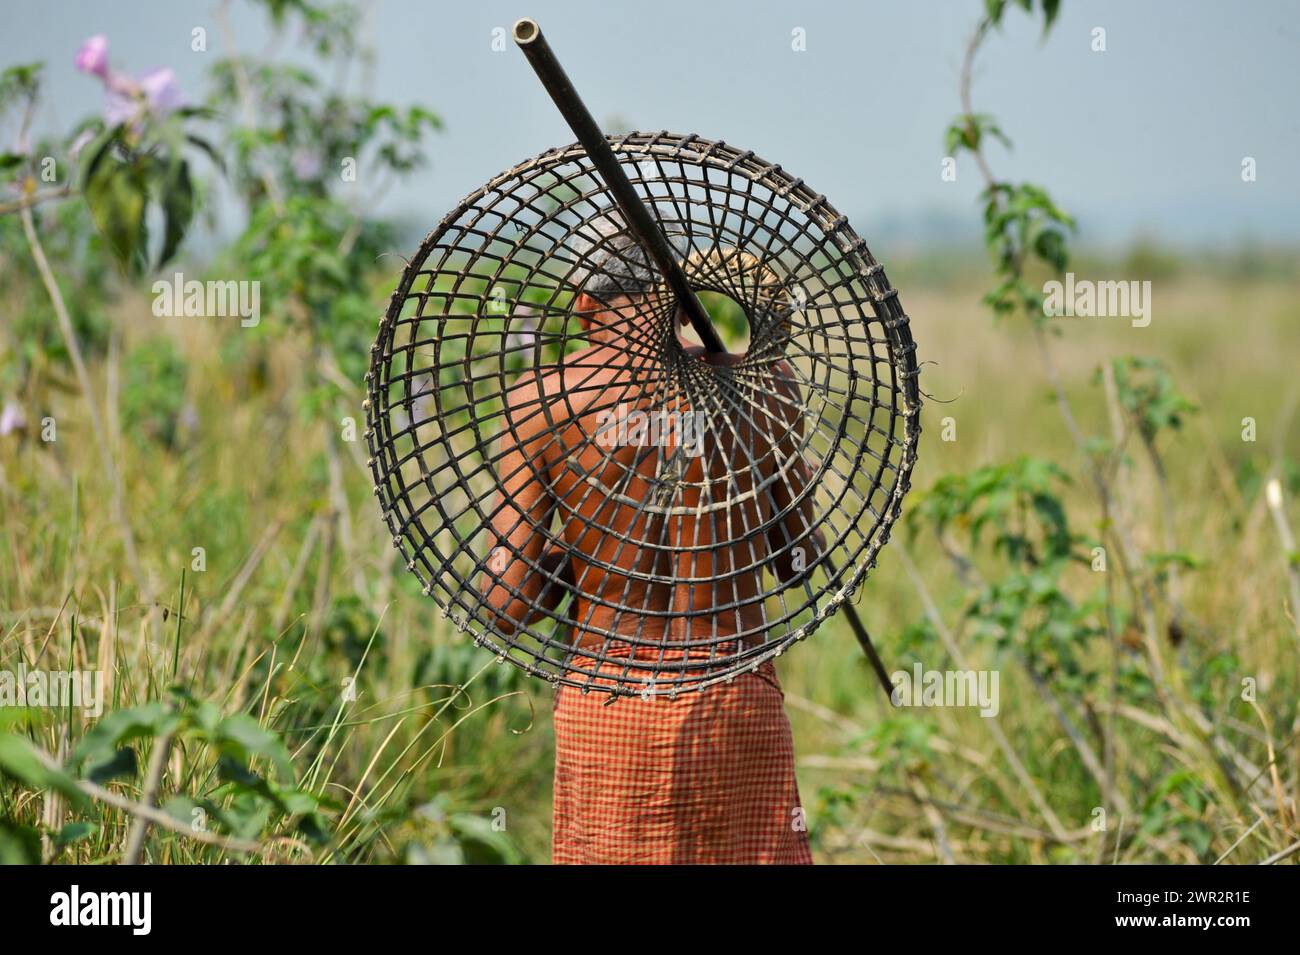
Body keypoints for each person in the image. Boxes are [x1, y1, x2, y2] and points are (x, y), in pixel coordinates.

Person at [480, 229, 820, 864]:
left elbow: (507, 605)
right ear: (681, 303)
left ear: (585, 307)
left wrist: (577, 566)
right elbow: (799, 560)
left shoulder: (542, 402)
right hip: (735, 692)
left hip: (611, 701)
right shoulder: (763, 389)